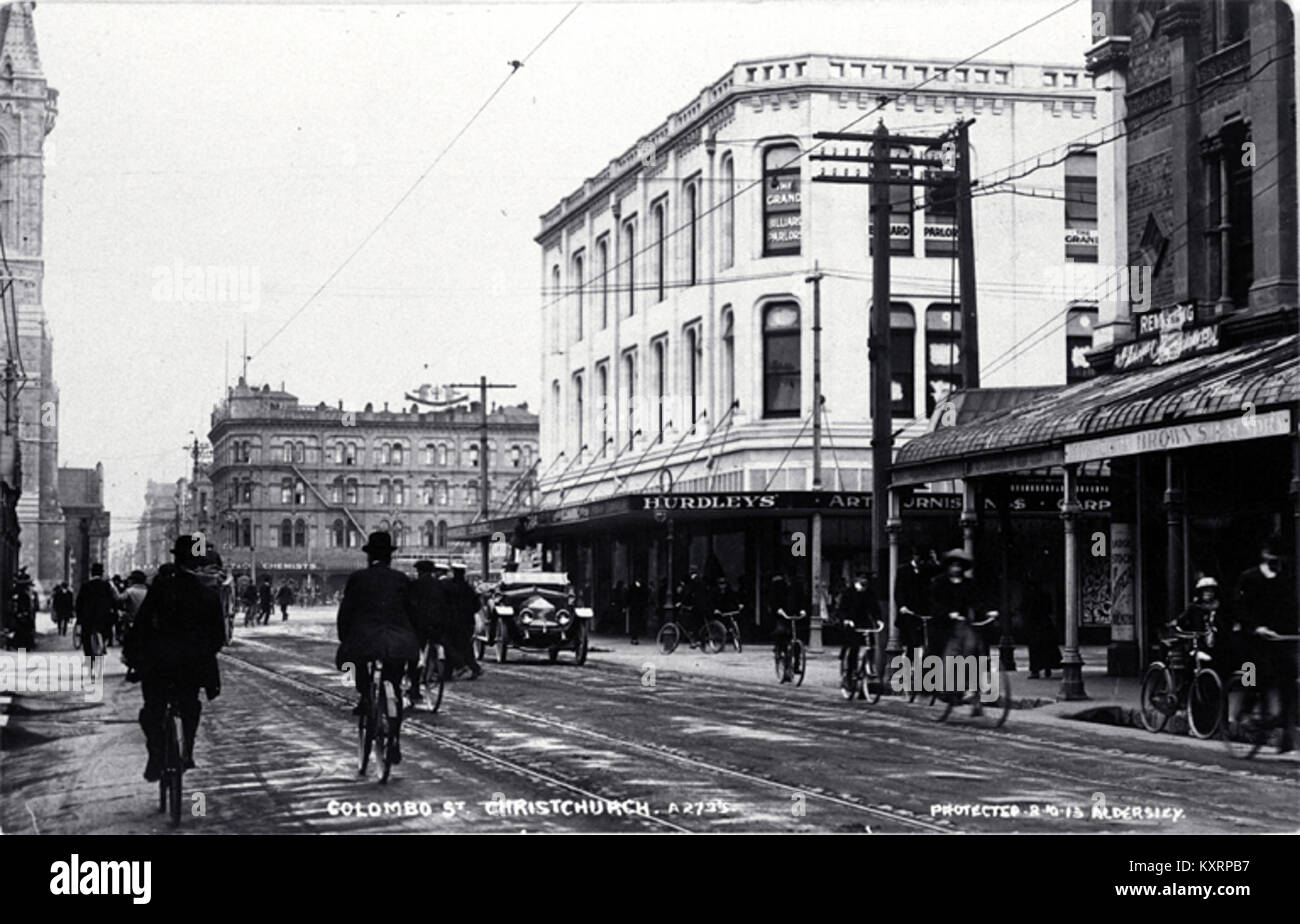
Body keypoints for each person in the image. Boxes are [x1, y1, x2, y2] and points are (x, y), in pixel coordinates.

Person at [123, 536, 225, 781]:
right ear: (198, 560)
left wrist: (134, 656)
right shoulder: (208, 593)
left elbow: (142, 625)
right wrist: (204, 657)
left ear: (176, 558)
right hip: (192, 667)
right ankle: (187, 749)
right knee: (191, 704)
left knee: (151, 712)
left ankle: (156, 755)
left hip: (160, 665)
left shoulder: (161, 588)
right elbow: (218, 637)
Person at [335, 531, 420, 762]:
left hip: (365, 642)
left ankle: (365, 696)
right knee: (394, 684)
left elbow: (345, 615)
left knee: (356, 667)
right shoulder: (402, 579)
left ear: (369, 556)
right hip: (398, 644)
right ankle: (395, 740)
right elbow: (413, 614)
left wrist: (345, 638)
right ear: (390, 557)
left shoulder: (357, 578)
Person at [1233, 539, 1296, 753]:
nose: (1277, 562)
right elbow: (1239, 608)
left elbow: (1290, 608)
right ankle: (1243, 712)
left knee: (1289, 676)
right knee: (1250, 675)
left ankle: (1285, 728)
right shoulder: (1248, 577)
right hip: (1251, 639)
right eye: (1273, 557)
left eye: (1280, 559)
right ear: (1265, 554)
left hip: (1276, 639)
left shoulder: (1284, 579)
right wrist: (1256, 627)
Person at [928, 549, 984, 714]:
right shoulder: (938, 582)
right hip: (943, 626)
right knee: (949, 655)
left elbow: (976, 601)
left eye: (959, 565)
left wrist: (988, 612)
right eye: (953, 565)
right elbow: (933, 603)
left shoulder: (968, 584)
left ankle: (971, 691)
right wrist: (947, 613)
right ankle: (945, 688)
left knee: (974, 649)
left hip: (962, 625)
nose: (956, 568)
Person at [832, 570, 882, 695]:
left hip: (864, 623)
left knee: (871, 645)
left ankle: (869, 668)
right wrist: (847, 620)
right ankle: (850, 674)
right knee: (853, 648)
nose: (864, 582)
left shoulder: (869, 592)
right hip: (851, 624)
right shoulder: (849, 592)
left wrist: (878, 620)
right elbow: (842, 609)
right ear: (857, 580)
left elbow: (874, 607)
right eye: (862, 579)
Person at [407, 559, 448, 702]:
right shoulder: (440, 585)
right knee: (438, 646)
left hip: (420, 627)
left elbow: (410, 606)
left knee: (415, 656)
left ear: (420, 572)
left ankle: (414, 688)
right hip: (437, 626)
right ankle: (439, 668)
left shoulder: (415, 585)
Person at [443, 562, 483, 679]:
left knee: (451, 646)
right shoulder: (469, 589)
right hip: (466, 622)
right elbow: (477, 606)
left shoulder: (448, 587)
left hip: (451, 621)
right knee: (465, 646)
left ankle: (450, 672)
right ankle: (473, 668)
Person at [75, 563, 120, 657]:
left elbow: (79, 603)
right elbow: (113, 601)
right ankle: (100, 653)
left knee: (87, 641)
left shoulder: (85, 585)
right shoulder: (106, 585)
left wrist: (79, 618)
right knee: (101, 638)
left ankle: (90, 663)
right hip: (103, 618)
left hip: (88, 618)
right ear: (101, 573)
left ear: (92, 573)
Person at [1023, 579, 1061, 680]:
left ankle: (1035, 670)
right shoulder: (1045, 595)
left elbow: (1025, 610)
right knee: (1047, 646)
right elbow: (1050, 610)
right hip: (1045, 623)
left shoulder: (1029, 596)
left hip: (1034, 624)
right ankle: (1047, 667)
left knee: (1035, 647)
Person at [894, 548, 929, 655]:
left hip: (921, 611)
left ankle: (918, 669)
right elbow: (898, 590)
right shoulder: (903, 570)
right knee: (910, 643)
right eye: (917, 556)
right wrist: (902, 606)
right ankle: (908, 668)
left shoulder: (925, 570)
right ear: (913, 556)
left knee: (920, 643)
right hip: (908, 612)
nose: (919, 559)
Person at [769, 574, 802, 683]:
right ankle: (782, 658)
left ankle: (796, 665)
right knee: (782, 636)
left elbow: (800, 599)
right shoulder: (778, 586)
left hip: (793, 615)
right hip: (782, 616)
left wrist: (802, 610)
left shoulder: (797, 587)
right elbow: (774, 601)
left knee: (796, 641)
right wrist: (778, 610)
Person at [627, 578, 649, 645]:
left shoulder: (640, 588)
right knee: (634, 623)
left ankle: (635, 638)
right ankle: (634, 638)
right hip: (635, 608)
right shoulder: (634, 588)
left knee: (636, 623)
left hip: (638, 608)